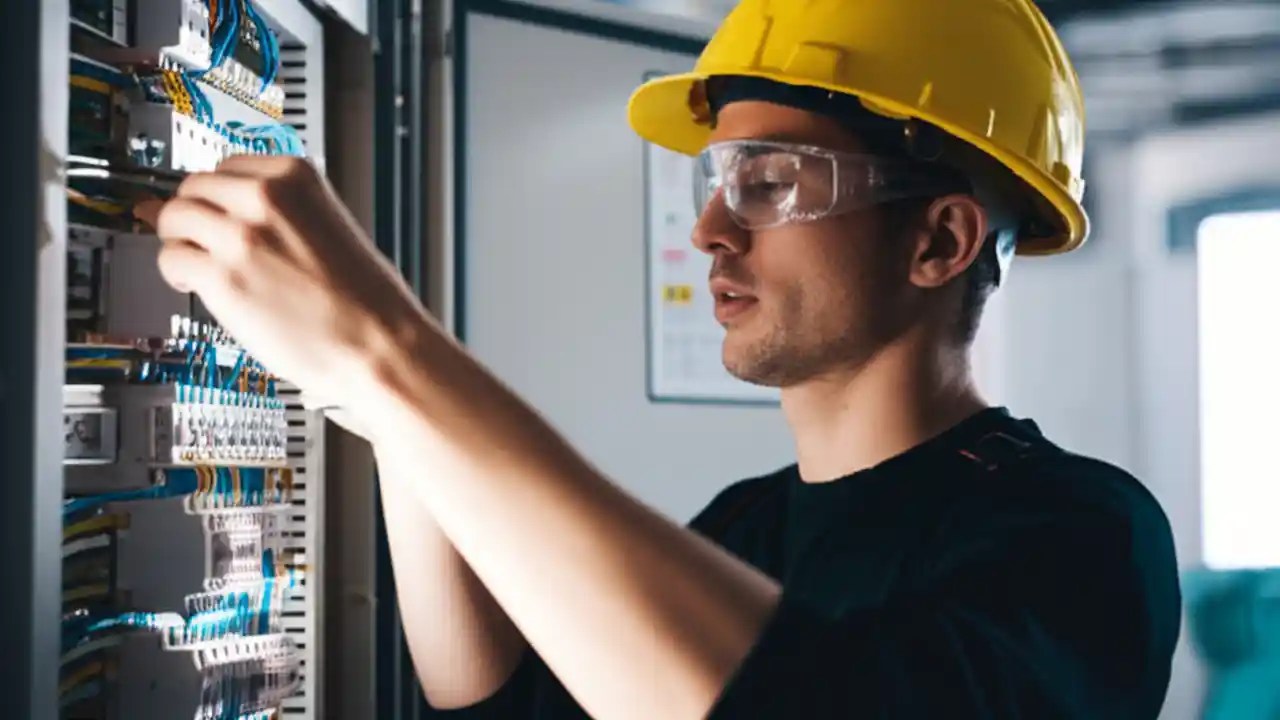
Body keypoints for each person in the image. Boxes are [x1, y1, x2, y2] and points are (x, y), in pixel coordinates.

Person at [136, 0, 1182, 717]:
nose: (711, 232)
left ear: (939, 241)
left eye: (771, 184)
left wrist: (387, 352)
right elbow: (502, 698)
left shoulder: (1081, 530)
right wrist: (371, 404)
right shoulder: (747, 523)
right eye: (715, 183)